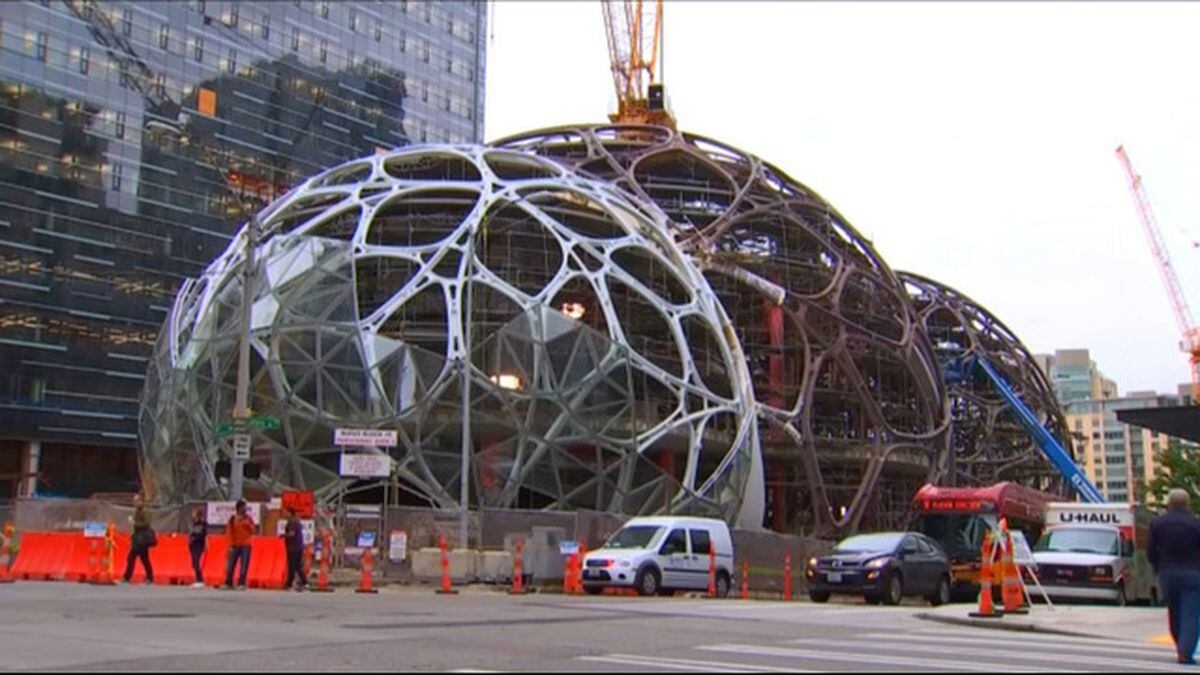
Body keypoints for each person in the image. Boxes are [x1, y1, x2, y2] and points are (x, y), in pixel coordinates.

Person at [1148, 488, 1200, 665]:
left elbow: (1150, 550)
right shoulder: (1196, 524)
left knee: (1174, 611)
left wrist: (1158, 567)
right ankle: (1185, 651)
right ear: (1187, 503)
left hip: (1167, 573)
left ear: (1169, 503)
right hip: (1193, 573)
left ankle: (1180, 644)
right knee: (1191, 613)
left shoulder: (1157, 523)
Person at [122, 494, 155, 584]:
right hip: (138, 537)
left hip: (142, 538)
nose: (135, 503)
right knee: (144, 559)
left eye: (136, 501)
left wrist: (134, 523)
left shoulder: (145, 511)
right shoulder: (138, 511)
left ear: (141, 501)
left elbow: (146, 523)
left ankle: (127, 577)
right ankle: (150, 577)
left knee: (131, 557)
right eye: (134, 501)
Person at [224, 500, 255, 590]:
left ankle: (241, 582)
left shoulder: (248, 519)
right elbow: (229, 532)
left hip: (246, 544)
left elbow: (253, 530)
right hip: (235, 544)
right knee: (231, 564)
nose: (245, 509)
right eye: (243, 507)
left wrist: (247, 524)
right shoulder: (232, 519)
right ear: (239, 508)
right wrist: (230, 545)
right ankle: (228, 582)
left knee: (244, 565)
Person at [283, 508, 307, 591]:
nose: (284, 514)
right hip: (297, 547)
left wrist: (283, 535)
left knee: (292, 566)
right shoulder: (295, 521)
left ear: (290, 513)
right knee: (297, 566)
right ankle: (304, 582)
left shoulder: (292, 522)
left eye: (286, 512)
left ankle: (289, 584)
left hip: (294, 547)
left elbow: (292, 534)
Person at [188, 507, 207, 588]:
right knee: (193, 563)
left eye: (194, 513)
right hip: (193, 545)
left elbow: (202, 534)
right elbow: (191, 533)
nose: (192, 515)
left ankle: (200, 580)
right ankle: (197, 579)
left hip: (198, 545)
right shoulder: (193, 523)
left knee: (196, 562)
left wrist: (194, 538)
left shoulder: (202, 524)